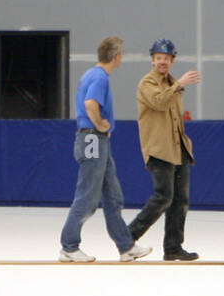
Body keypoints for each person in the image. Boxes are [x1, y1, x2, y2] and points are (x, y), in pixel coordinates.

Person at [59, 36, 153, 262]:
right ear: (117, 56)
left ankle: (126, 246)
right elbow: (91, 104)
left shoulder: (91, 74)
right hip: (93, 139)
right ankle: (69, 247)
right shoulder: (100, 78)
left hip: (97, 141)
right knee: (87, 197)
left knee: (113, 196)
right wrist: (101, 123)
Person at [127, 39, 201, 261]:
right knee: (163, 196)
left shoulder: (172, 83)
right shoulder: (147, 84)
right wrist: (178, 85)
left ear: (172, 61)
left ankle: (173, 247)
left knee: (180, 200)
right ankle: (128, 236)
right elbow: (158, 102)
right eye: (159, 58)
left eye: (167, 59)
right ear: (152, 60)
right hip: (159, 150)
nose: (163, 62)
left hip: (178, 149)